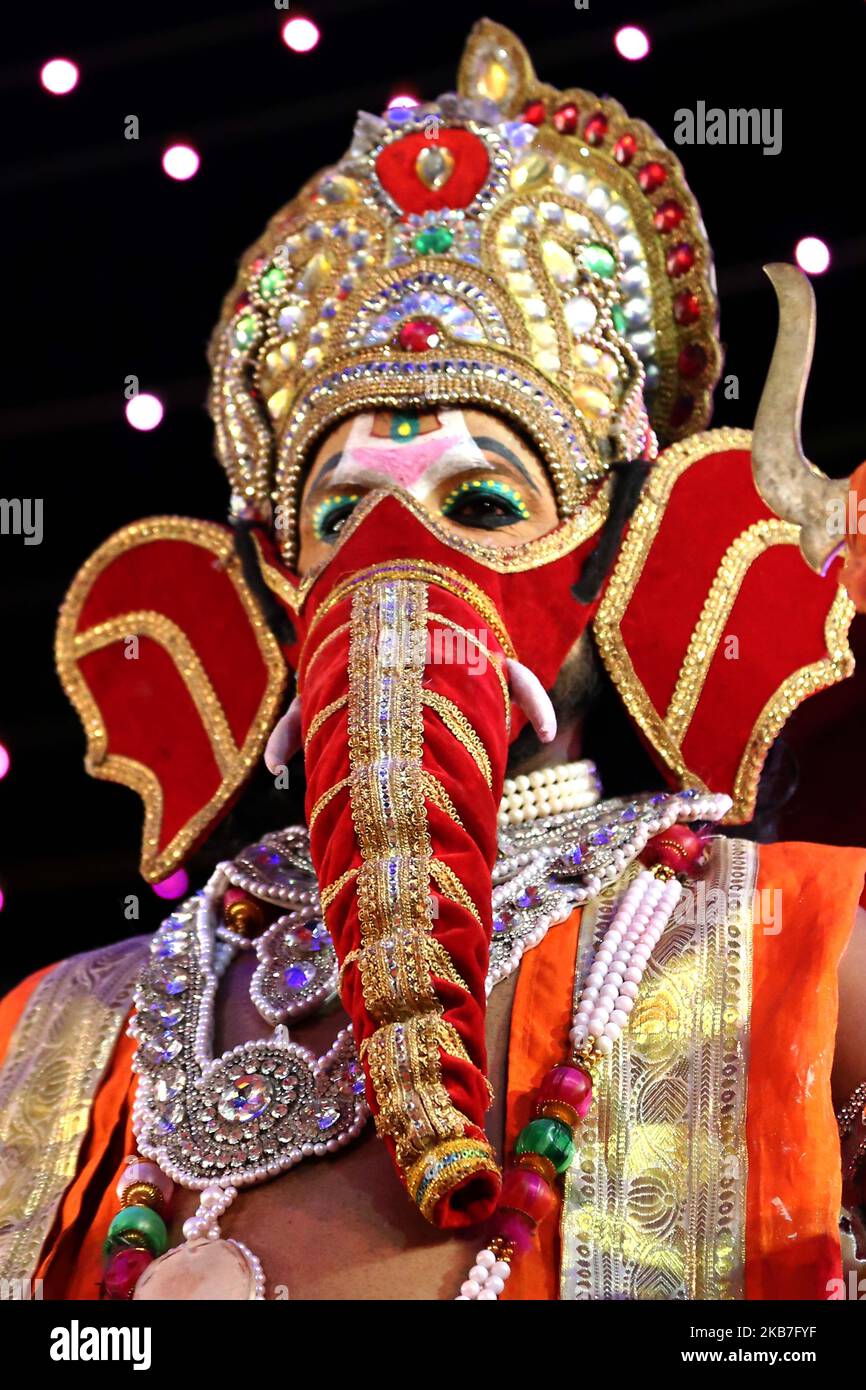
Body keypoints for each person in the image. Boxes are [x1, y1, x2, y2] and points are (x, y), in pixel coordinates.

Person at [1, 19, 865, 1302]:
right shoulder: (54, 1033)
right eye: (341, 519)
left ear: (631, 554)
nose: (395, 569)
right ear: (256, 595)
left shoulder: (809, 951)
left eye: (479, 504)